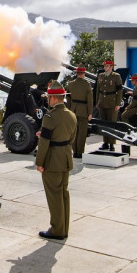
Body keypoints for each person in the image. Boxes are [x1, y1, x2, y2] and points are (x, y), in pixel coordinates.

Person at [35, 81, 76, 241]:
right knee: (64, 195)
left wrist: (40, 162)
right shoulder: (71, 115)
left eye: (48, 98)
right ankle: (64, 228)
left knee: (54, 197)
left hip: (52, 160)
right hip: (65, 157)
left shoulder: (50, 116)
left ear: (53, 98)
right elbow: (71, 138)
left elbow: (44, 142)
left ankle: (57, 230)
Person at [66, 66, 93, 159]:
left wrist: (69, 109)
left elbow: (68, 98)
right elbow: (90, 100)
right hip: (83, 110)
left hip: (73, 109)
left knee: (74, 132)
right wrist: (90, 112)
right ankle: (80, 152)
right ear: (84, 74)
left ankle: (74, 152)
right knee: (82, 133)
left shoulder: (71, 84)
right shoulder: (87, 84)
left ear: (76, 73)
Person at [95, 60, 123, 150]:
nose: (105, 67)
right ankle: (105, 143)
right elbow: (98, 90)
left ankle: (111, 144)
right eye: (105, 66)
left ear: (111, 67)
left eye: (107, 66)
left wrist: (118, 103)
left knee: (111, 123)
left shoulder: (116, 76)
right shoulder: (101, 75)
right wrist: (97, 102)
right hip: (102, 102)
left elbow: (119, 90)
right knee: (103, 123)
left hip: (112, 102)